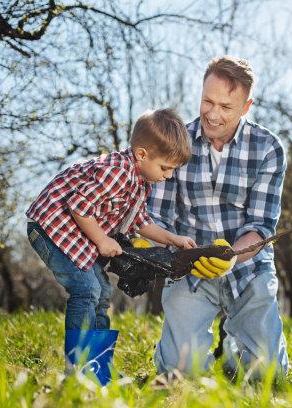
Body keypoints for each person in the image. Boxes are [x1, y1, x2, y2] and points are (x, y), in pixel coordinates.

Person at [25, 108, 224, 384]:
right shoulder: (117, 171)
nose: (168, 175)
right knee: (87, 289)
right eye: (165, 168)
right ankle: (79, 370)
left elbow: (141, 222)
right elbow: (79, 206)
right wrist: (103, 240)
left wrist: (174, 239)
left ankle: (98, 367)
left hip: (76, 233)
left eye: (173, 170)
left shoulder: (141, 183)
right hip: (51, 227)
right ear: (142, 154)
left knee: (101, 293)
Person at [149, 56, 289, 378]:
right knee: (179, 375)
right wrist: (174, 251)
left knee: (267, 378)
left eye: (226, 107)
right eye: (207, 101)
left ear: (246, 106)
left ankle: (232, 347)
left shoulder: (268, 148)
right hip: (190, 270)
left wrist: (231, 257)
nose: (213, 115)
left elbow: (261, 225)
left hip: (248, 269)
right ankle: (183, 347)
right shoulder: (175, 143)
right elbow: (158, 215)